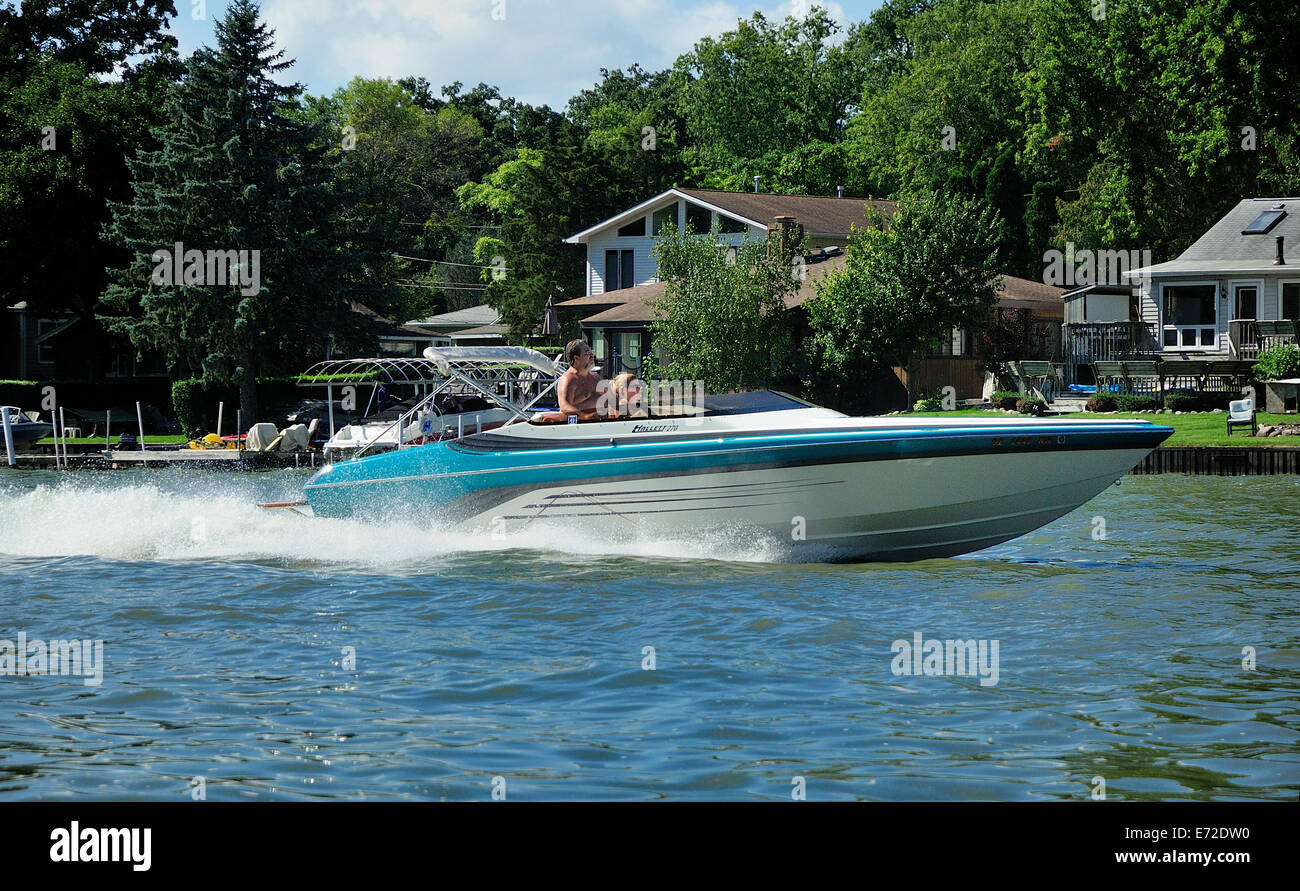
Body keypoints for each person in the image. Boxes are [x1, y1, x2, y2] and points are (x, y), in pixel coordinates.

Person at [557, 339, 603, 419]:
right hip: (578, 425)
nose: (592, 356)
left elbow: (610, 398)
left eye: (591, 353)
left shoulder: (595, 377)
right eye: (586, 354)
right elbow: (564, 406)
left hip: (600, 423)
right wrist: (584, 417)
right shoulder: (568, 379)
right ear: (576, 358)